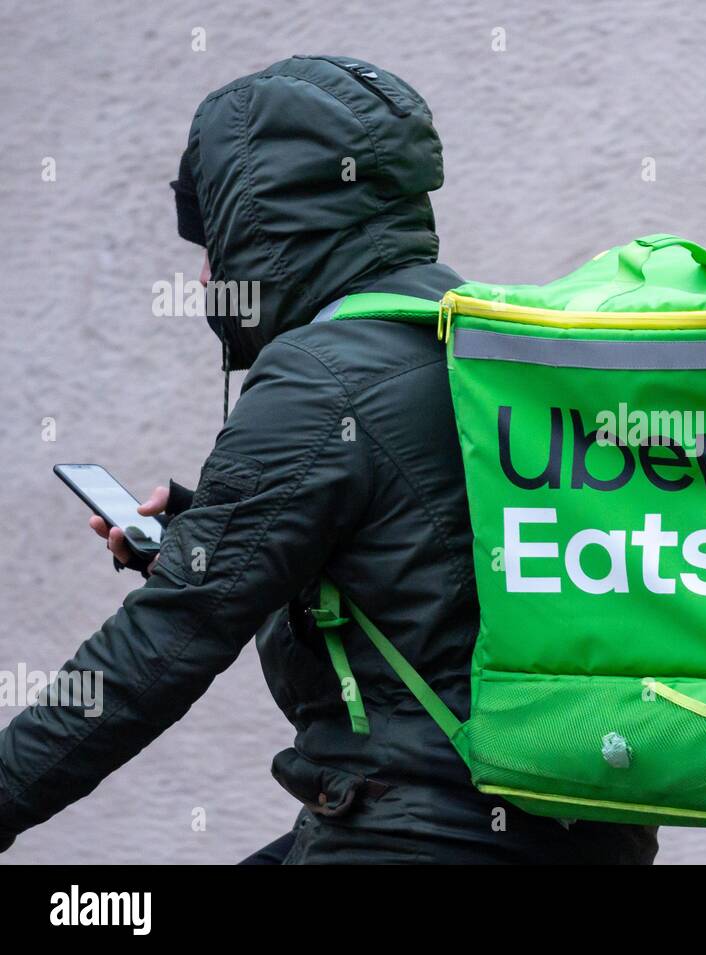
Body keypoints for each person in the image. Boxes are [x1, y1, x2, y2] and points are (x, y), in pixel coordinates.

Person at [0, 55, 658, 864]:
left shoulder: (322, 378)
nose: (205, 275)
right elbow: (419, 575)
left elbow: (161, 646)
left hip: (417, 833)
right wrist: (201, 536)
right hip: (572, 833)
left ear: (264, 228)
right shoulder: (471, 334)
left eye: (215, 241)